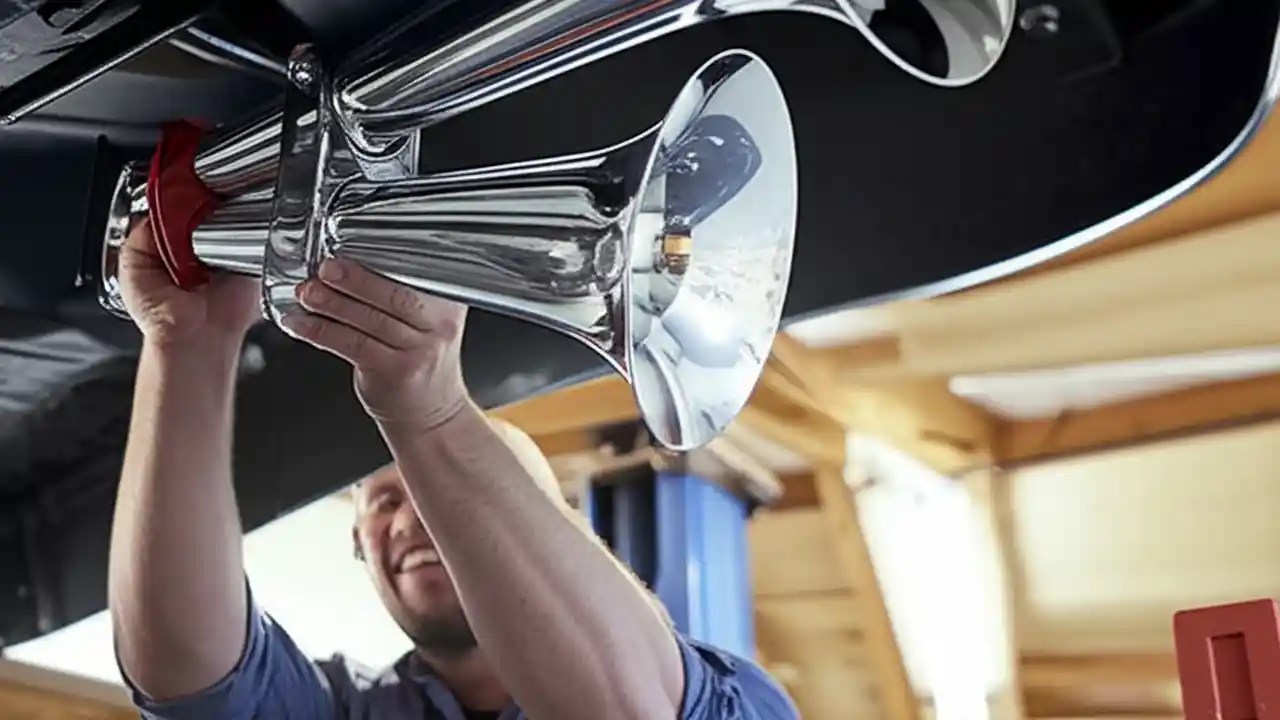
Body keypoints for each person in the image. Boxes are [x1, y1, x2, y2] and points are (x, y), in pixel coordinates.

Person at [107, 219, 799, 720]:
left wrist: (432, 413)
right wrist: (186, 346)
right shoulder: (341, 711)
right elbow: (190, 682)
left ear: (560, 524)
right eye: (381, 503)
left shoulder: (734, 696)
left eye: (448, 497)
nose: (415, 517)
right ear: (360, 550)